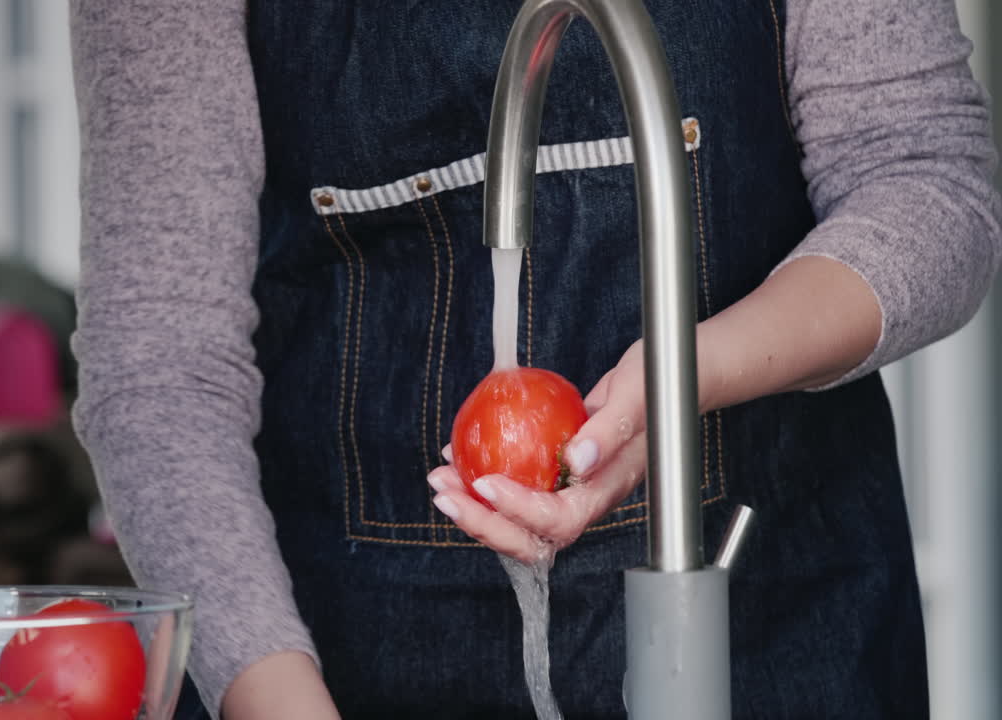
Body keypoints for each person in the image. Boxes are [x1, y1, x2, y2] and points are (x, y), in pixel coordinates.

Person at [68, 0, 1001, 717]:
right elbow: (162, 363)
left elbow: (924, 177)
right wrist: (275, 694)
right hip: (350, 663)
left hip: (784, 632)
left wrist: (684, 378)